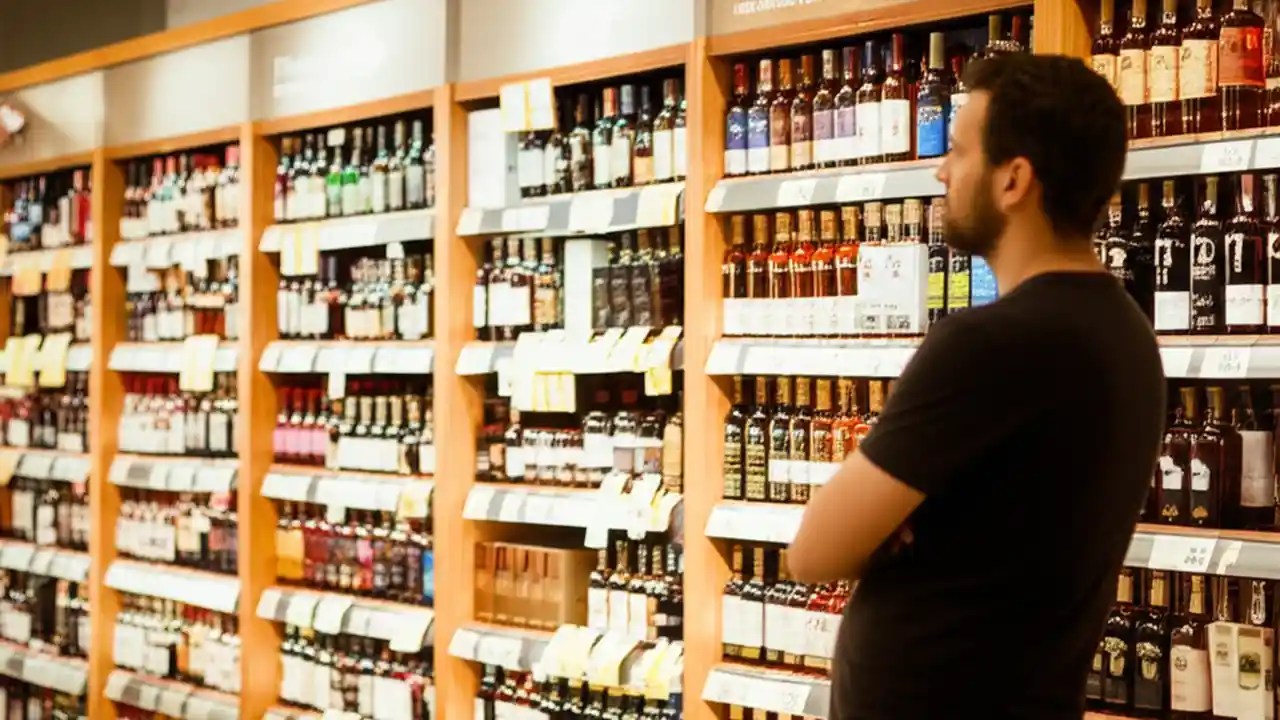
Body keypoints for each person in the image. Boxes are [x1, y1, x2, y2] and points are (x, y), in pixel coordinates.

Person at [787, 53, 1165, 719]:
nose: (941, 169)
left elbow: (814, 551)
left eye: (958, 151)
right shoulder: (1127, 332)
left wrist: (889, 523)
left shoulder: (987, 343)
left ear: (1014, 179)